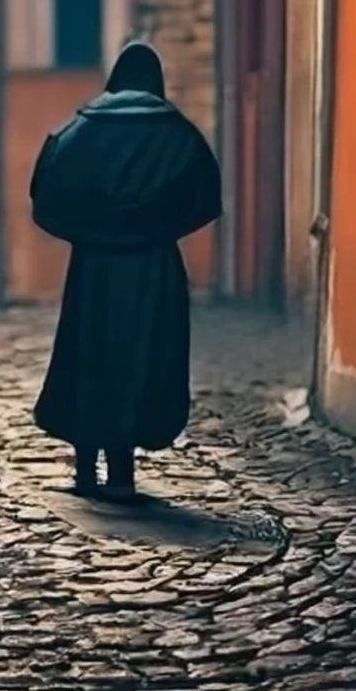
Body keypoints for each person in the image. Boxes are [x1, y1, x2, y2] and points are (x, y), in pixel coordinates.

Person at [29, 41, 221, 499]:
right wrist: (158, 227)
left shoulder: (80, 129)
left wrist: (88, 231)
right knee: (141, 358)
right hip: (153, 267)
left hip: (94, 267)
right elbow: (206, 197)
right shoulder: (177, 132)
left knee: (88, 356)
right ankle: (122, 472)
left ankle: (83, 469)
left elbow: (46, 196)